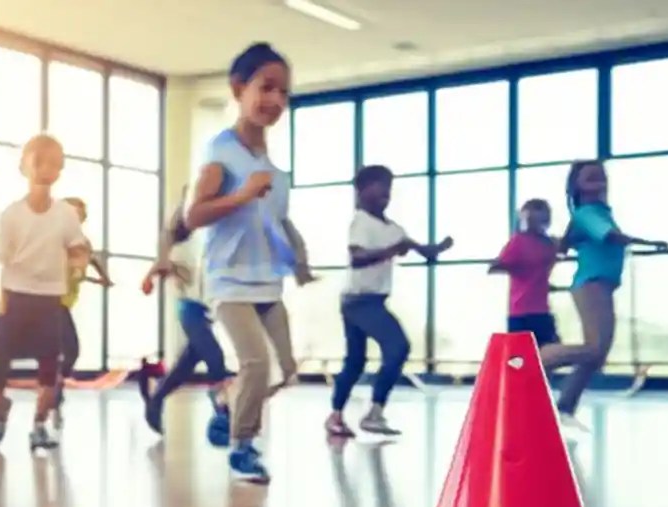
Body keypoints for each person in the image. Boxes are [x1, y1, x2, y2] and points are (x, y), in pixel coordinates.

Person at [184, 42, 315, 483]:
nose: (275, 100)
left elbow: (275, 220)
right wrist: (241, 194)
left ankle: (226, 402)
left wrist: (298, 258)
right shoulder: (220, 153)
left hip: (267, 282)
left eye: (283, 93)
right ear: (239, 88)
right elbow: (193, 215)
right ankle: (243, 447)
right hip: (228, 282)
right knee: (256, 363)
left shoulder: (273, 170)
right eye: (266, 88)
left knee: (284, 370)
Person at [325, 165, 453, 439]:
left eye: (388, 187)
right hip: (359, 302)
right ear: (362, 191)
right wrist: (394, 250)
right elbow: (356, 258)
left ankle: (335, 417)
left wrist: (438, 248)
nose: (385, 192)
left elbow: (423, 250)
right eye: (379, 186)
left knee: (355, 362)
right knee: (398, 347)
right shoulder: (360, 221)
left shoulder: (393, 228)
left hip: (369, 300)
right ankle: (374, 413)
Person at [540, 160, 668, 429]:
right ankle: (538, 359)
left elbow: (567, 242)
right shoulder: (588, 213)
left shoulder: (595, 212)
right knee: (594, 348)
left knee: (597, 355)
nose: (599, 180)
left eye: (601, 176)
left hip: (603, 284)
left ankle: (564, 407)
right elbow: (611, 237)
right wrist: (649, 242)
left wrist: (562, 243)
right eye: (590, 177)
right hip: (592, 284)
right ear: (577, 185)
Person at [0, 134, 88, 450]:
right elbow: (1, 255)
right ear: (24, 166)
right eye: (39, 162)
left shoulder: (65, 215)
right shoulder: (11, 214)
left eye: (54, 164)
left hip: (49, 301)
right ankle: (0, 406)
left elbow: (78, 246)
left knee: (48, 369)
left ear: (59, 171)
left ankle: (39, 425)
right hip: (16, 296)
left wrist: (77, 262)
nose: (46, 170)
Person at [139, 194, 230, 435]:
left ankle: (156, 399)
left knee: (185, 366)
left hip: (204, 308)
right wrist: (150, 278)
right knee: (215, 357)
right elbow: (163, 265)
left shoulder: (206, 239)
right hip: (188, 308)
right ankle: (223, 413)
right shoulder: (175, 245)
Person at [52, 197, 112, 428]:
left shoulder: (82, 241)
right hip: (52, 302)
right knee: (72, 349)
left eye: (80, 215)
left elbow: (92, 258)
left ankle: (54, 387)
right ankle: (53, 389)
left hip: (65, 303)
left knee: (64, 351)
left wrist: (103, 277)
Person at [489, 198, 564, 348]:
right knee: (530, 358)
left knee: (543, 355)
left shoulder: (548, 244)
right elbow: (496, 267)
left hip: (533, 310)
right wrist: (517, 268)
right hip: (523, 311)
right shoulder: (521, 242)